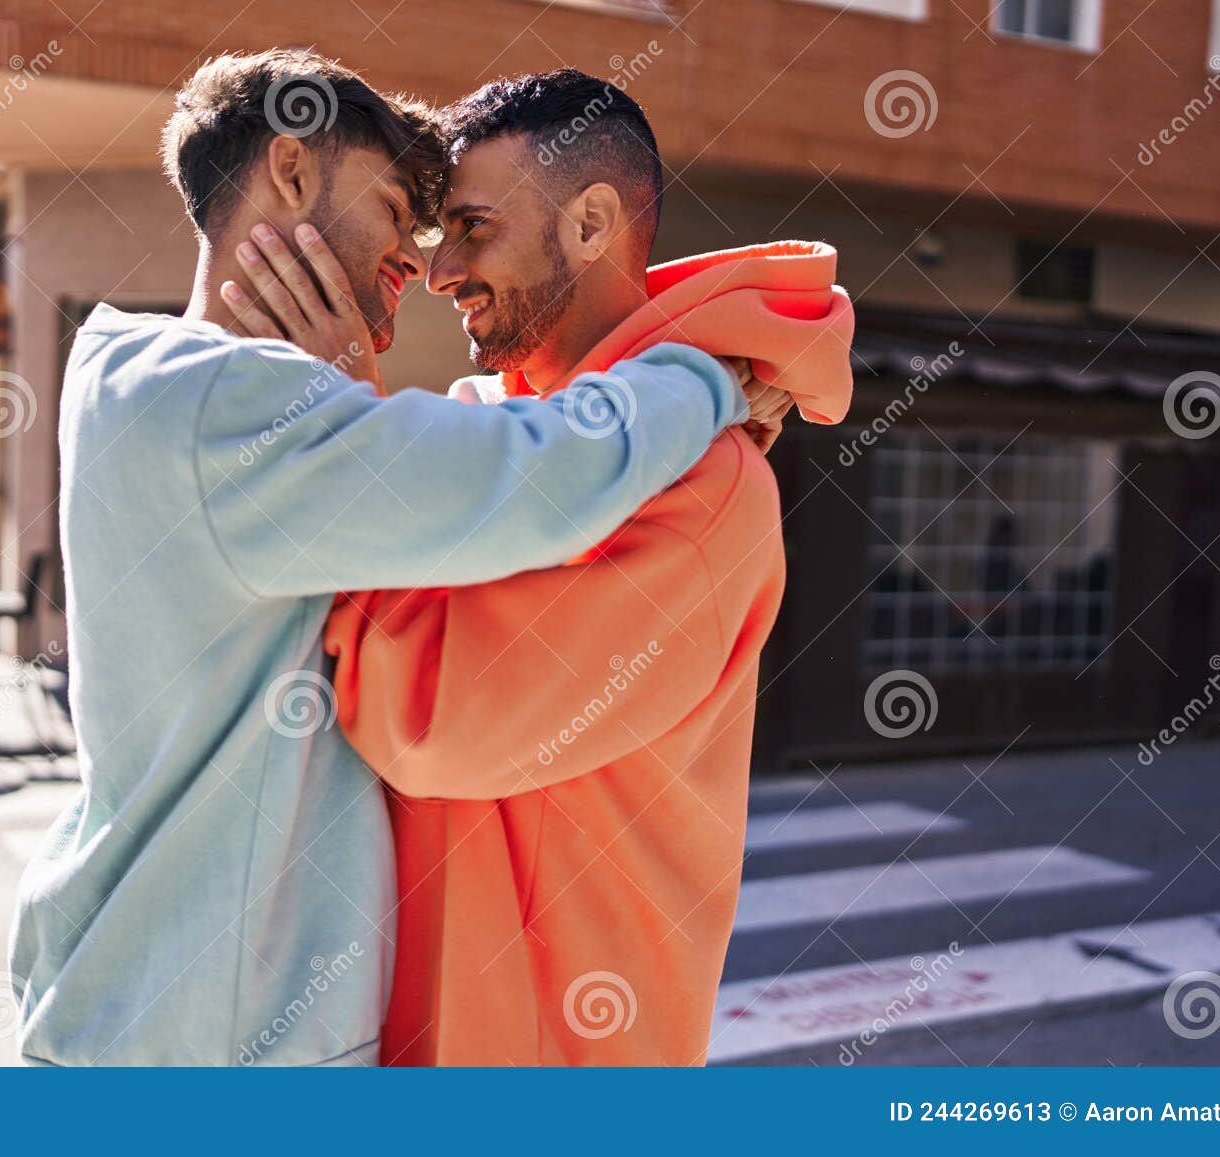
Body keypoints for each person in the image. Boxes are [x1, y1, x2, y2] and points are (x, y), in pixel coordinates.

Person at [8, 48, 759, 1067]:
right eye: (403, 208)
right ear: (289, 172)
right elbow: (533, 475)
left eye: (459, 227)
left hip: (166, 1010)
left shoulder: (144, 384)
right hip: (208, 1036)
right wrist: (708, 370)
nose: (423, 260)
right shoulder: (225, 408)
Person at [314, 70, 856, 1064]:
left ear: (593, 223)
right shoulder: (505, 429)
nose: (441, 273)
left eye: (474, 226)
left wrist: (331, 481)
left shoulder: (704, 488)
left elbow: (433, 723)